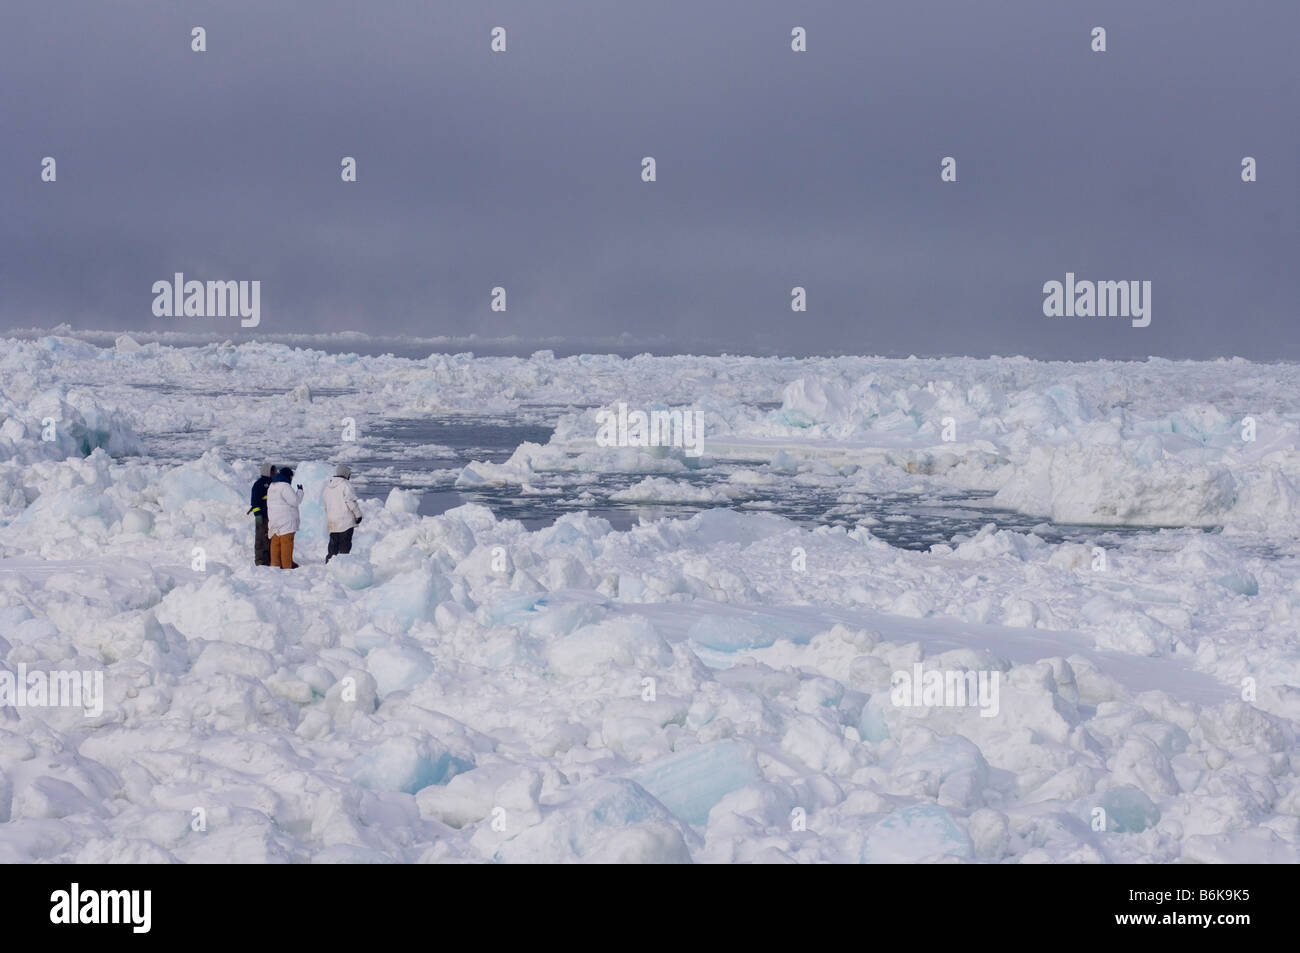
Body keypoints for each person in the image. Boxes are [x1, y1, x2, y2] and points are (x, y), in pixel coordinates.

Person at [322, 464, 363, 562]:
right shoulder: (346, 485)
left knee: (333, 543)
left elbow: (325, 503)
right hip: (345, 520)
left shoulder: (328, 487)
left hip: (333, 520)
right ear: (346, 474)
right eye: (349, 474)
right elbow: (350, 501)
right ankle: (343, 562)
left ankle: (330, 560)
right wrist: (358, 515)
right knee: (345, 543)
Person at [266, 466, 304, 569]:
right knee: (287, 543)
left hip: (274, 519)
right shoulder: (285, 486)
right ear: (288, 476)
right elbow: (295, 501)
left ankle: (275, 565)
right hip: (286, 520)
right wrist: (300, 491)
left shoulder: (272, 486)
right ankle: (287, 566)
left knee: (275, 543)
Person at [248, 463, 277, 566]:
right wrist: (258, 515)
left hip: (272, 517)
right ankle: (260, 560)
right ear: (267, 471)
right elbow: (255, 502)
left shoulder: (274, 483)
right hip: (262, 516)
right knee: (260, 539)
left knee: (270, 538)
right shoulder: (259, 484)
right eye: (272, 471)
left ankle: (269, 559)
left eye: (274, 471)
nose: (274, 473)